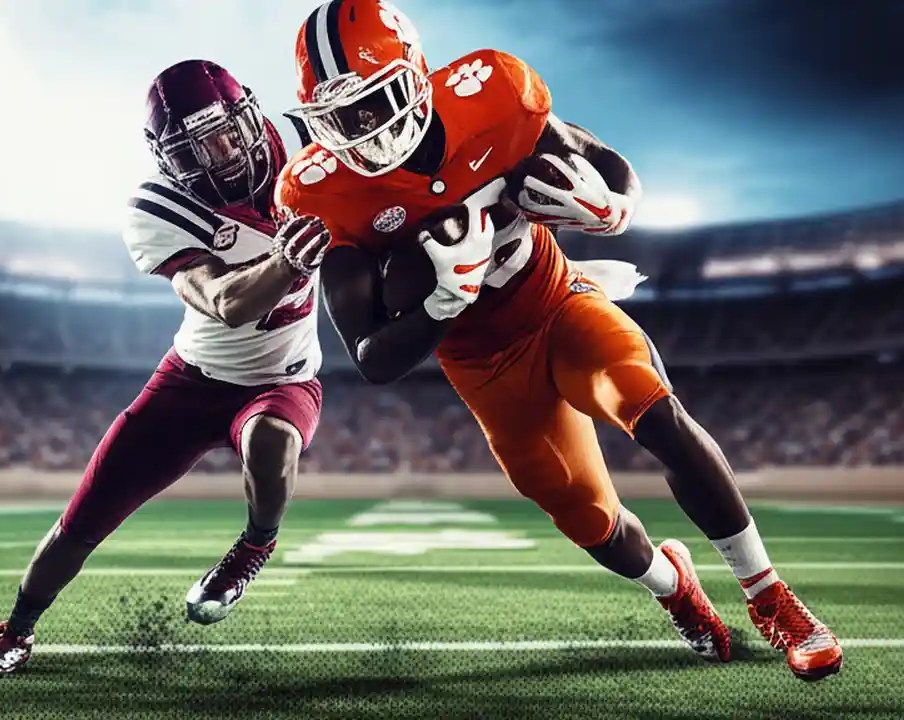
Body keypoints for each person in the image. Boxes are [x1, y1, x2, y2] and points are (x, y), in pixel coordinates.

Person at [277, 0, 841, 681]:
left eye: (375, 102)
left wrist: (612, 209)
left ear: (417, 74)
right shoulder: (322, 192)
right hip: (483, 365)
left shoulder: (491, 94)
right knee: (590, 520)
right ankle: (676, 589)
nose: (362, 131)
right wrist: (442, 301)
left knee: (654, 412)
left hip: (554, 301)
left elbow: (608, 164)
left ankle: (770, 596)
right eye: (340, 118)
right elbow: (372, 359)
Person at [0, 59, 330, 680]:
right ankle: (16, 630)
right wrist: (285, 264)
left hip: (282, 377)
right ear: (166, 159)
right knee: (82, 519)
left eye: (222, 134)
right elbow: (225, 302)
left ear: (251, 118)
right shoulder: (157, 207)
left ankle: (254, 547)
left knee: (272, 441)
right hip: (190, 382)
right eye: (192, 150)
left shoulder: (307, 145)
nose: (216, 157)